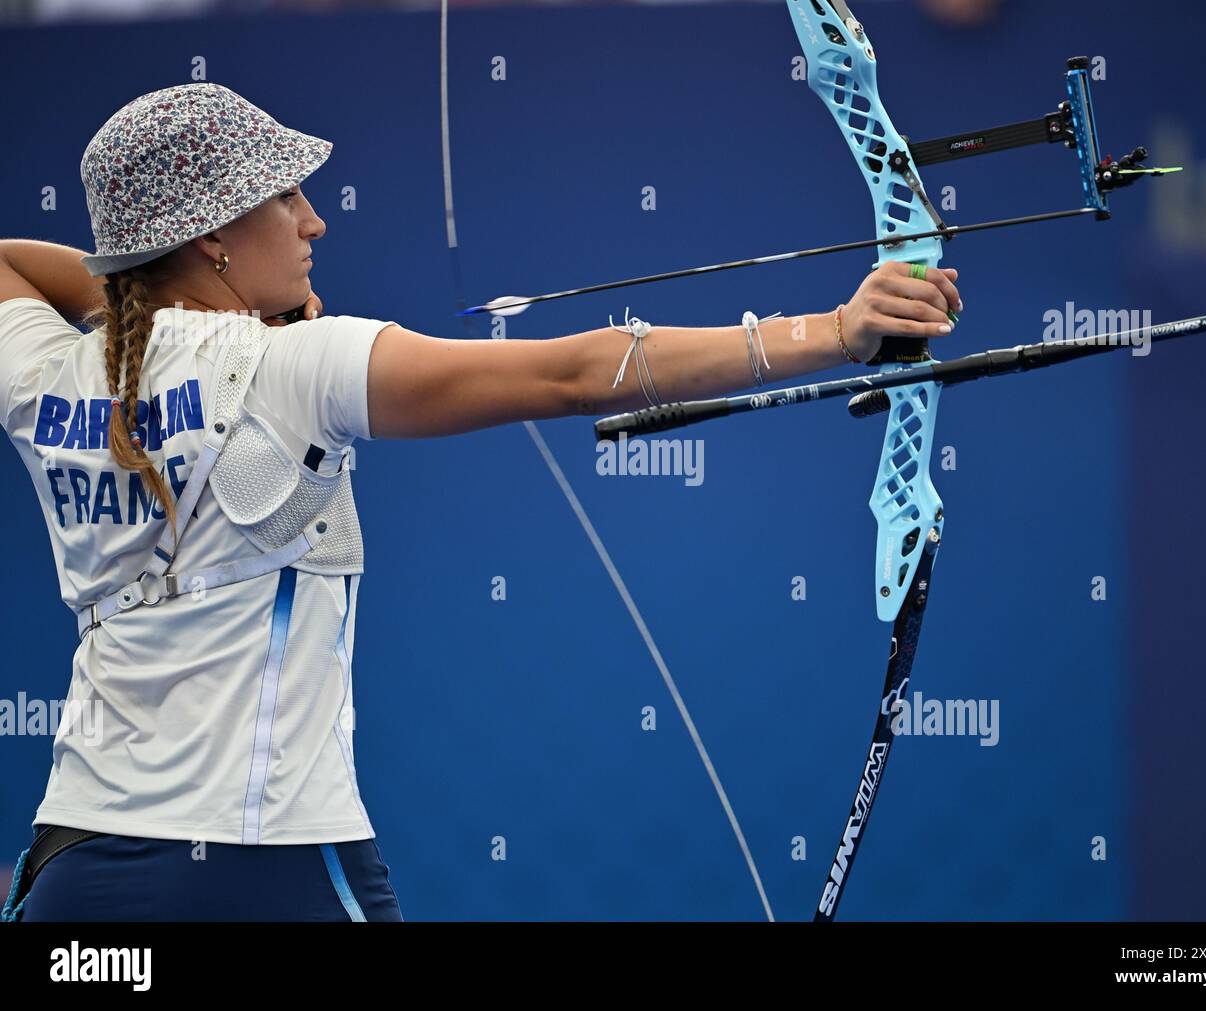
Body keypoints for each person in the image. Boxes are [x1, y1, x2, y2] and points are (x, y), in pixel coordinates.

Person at [0, 82, 961, 922]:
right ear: (212, 234)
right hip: (269, 861)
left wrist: (145, 288)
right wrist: (837, 331)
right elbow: (571, 374)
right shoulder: (293, 364)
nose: (313, 221)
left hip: (78, 865)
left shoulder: (48, 376)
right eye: (283, 196)